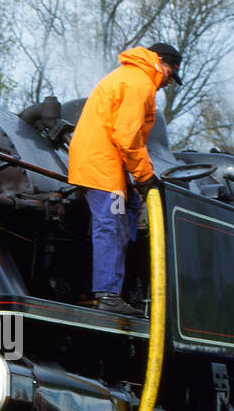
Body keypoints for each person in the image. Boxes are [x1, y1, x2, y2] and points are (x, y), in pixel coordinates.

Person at [66, 43, 180, 315]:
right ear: (162, 63)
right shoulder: (138, 83)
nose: (168, 83)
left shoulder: (130, 76)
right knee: (111, 226)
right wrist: (145, 177)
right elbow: (128, 138)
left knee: (126, 210)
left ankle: (115, 282)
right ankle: (107, 293)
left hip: (105, 161)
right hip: (102, 164)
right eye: (170, 75)